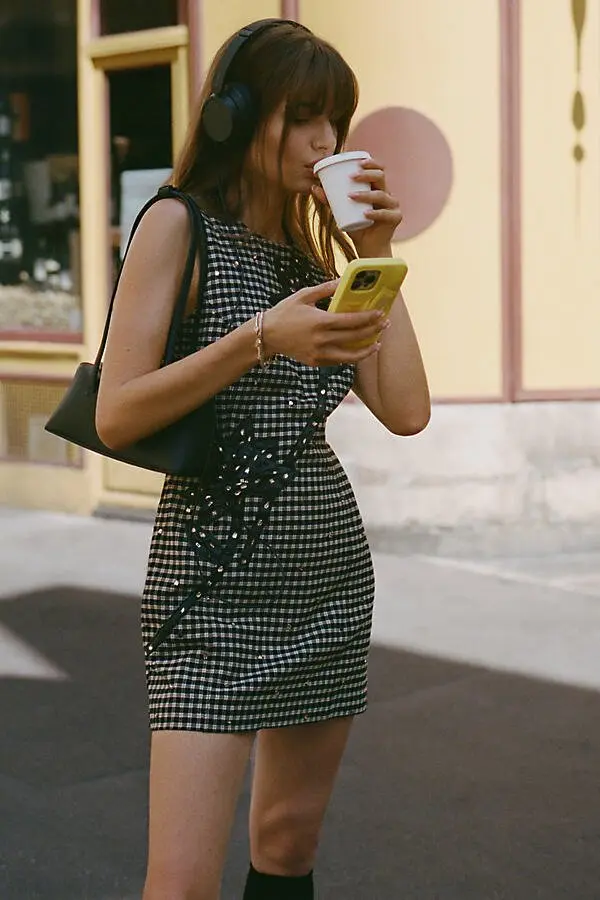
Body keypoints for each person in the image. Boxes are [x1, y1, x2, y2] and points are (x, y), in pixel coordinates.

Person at [96, 18, 430, 900]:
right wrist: (260, 339)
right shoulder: (176, 224)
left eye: (338, 124)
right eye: (308, 118)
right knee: (180, 881)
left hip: (325, 582)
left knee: (287, 844)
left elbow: (407, 410)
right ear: (234, 116)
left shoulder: (309, 251)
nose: (328, 143)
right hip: (211, 588)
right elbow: (118, 412)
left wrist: (379, 256)